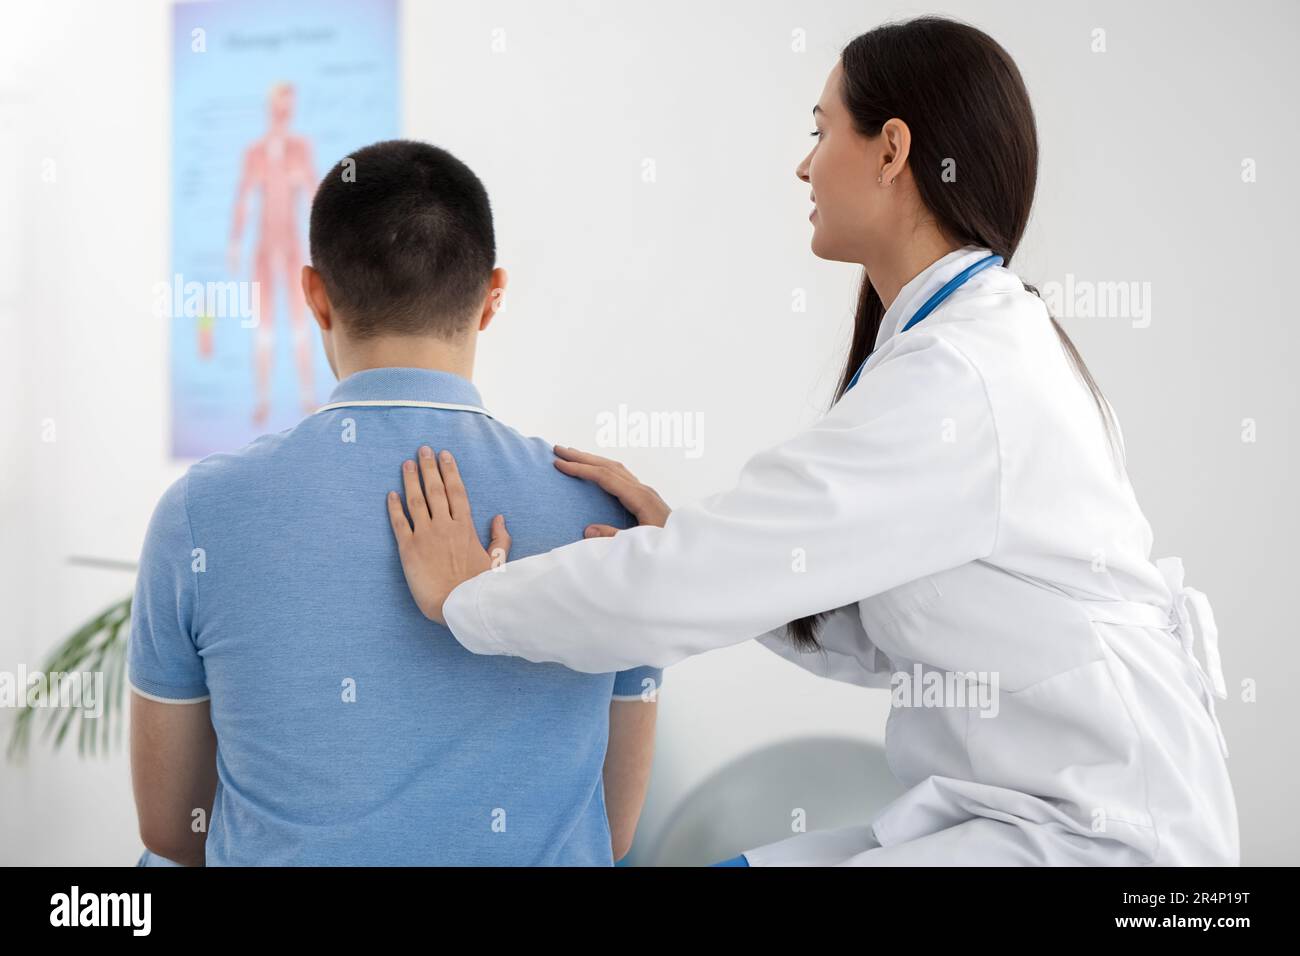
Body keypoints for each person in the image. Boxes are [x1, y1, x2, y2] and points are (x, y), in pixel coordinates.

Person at [378, 18, 1238, 866]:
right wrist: (681, 541)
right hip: (1020, 810)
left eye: (822, 132)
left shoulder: (964, 377)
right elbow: (881, 627)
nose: (804, 165)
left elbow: (696, 586)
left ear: (892, 151)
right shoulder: (966, 347)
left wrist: (471, 600)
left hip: (1104, 840)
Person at [129, 139, 660, 866]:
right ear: (492, 296)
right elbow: (616, 830)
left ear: (315, 295)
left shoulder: (200, 514)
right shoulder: (610, 518)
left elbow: (173, 830)